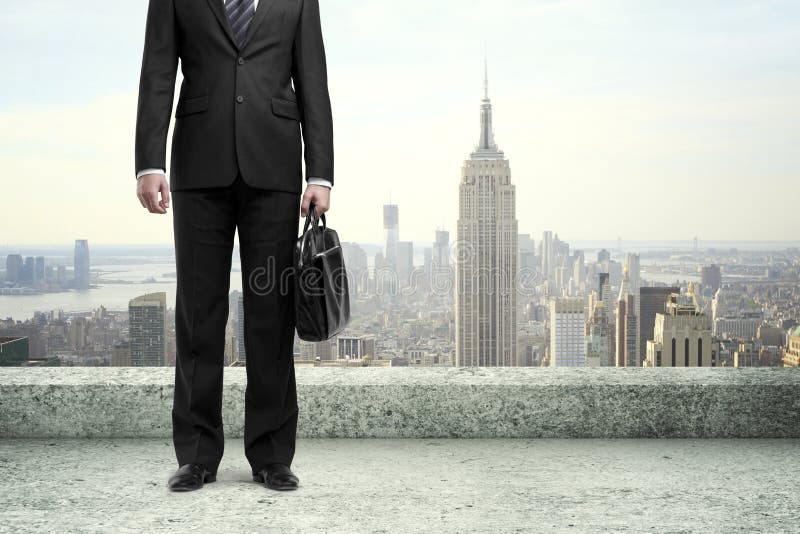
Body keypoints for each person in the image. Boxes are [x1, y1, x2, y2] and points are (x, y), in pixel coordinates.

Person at [134, 0, 334, 492]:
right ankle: (197, 456)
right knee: (199, 316)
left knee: (272, 314)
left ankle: (271, 455)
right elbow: (157, 70)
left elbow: (313, 81)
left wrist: (321, 173)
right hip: (199, 167)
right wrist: (148, 162)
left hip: (275, 167)